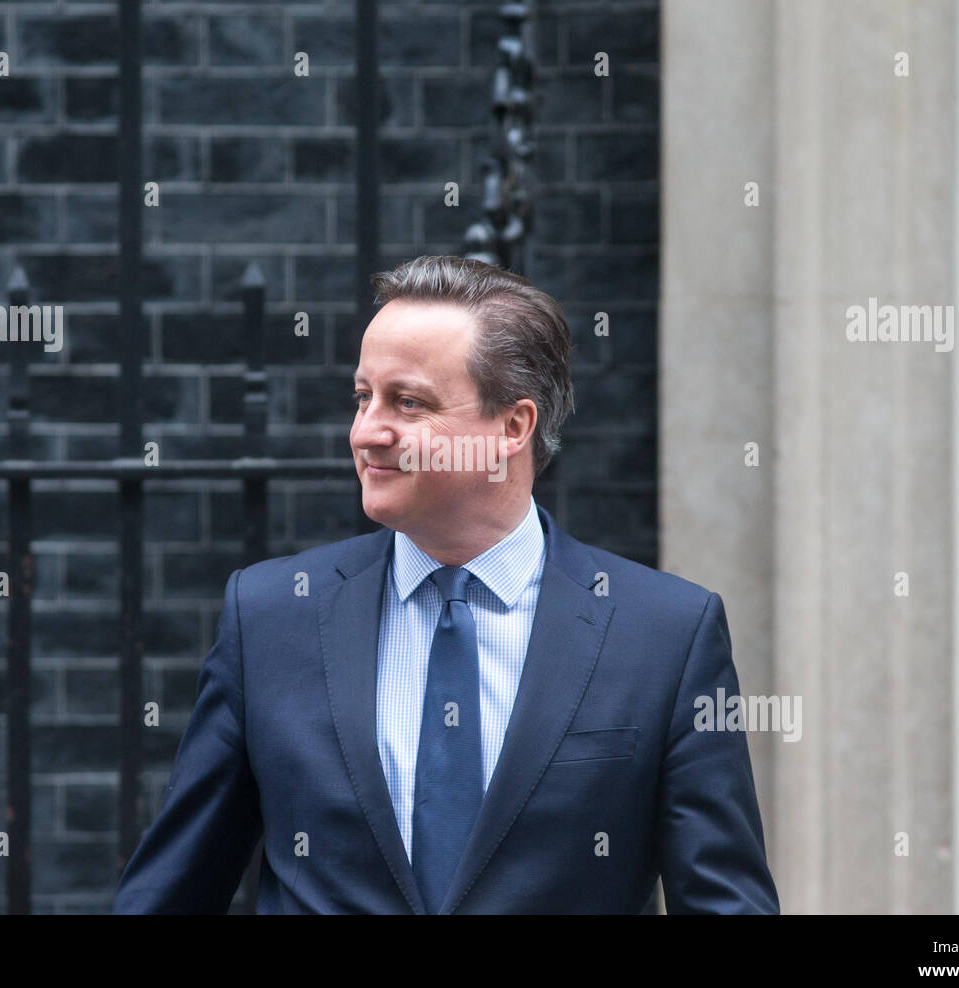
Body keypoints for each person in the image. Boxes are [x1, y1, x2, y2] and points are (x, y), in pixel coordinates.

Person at [112, 255, 779, 914]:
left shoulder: (664, 636)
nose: (366, 431)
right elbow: (171, 891)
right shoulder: (268, 619)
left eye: (407, 402)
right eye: (362, 397)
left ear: (512, 428)